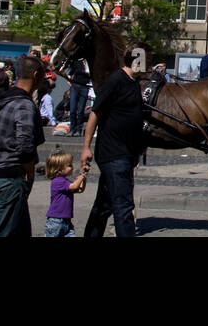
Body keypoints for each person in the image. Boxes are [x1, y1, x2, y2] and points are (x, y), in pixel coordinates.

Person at [82, 42, 147, 237]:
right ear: (137, 61)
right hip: (113, 153)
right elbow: (95, 113)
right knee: (124, 206)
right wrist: (86, 147)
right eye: (145, 61)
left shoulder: (133, 83)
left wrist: (135, 152)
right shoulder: (115, 81)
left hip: (125, 154)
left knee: (105, 204)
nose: (147, 65)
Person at [0, 54, 46, 237]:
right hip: (11, 174)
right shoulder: (23, 104)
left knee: (19, 231)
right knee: (4, 232)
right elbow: (25, 145)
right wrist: (30, 172)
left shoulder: (4, 99)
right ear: (36, 75)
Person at [45, 149, 87, 237]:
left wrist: (84, 177)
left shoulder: (65, 181)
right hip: (55, 220)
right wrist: (81, 176)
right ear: (59, 169)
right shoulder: (58, 181)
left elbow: (79, 189)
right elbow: (75, 186)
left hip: (66, 220)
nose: (72, 167)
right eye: (69, 165)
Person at [69, 57, 92, 135]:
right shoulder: (77, 62)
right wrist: (69, 81)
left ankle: (79, 129)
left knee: (81, 110)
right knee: (72, 109)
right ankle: (72, 129)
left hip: (85, 86)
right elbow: (70, 73)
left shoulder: (90, 63)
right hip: (75, 85)